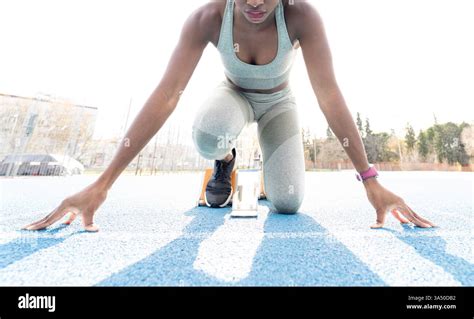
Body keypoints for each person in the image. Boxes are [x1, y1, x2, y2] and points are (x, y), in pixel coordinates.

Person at [23, 0, 435, 232]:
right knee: (210, 133)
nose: (256, 2)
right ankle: (225, 161)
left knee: (288, 202)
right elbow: (166, 96)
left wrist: (369, 178)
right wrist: (103, 182)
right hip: (233, 97)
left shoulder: (302, 17)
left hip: (279, 105)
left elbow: (328, 95)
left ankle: (272, 179)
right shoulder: (206, 18)